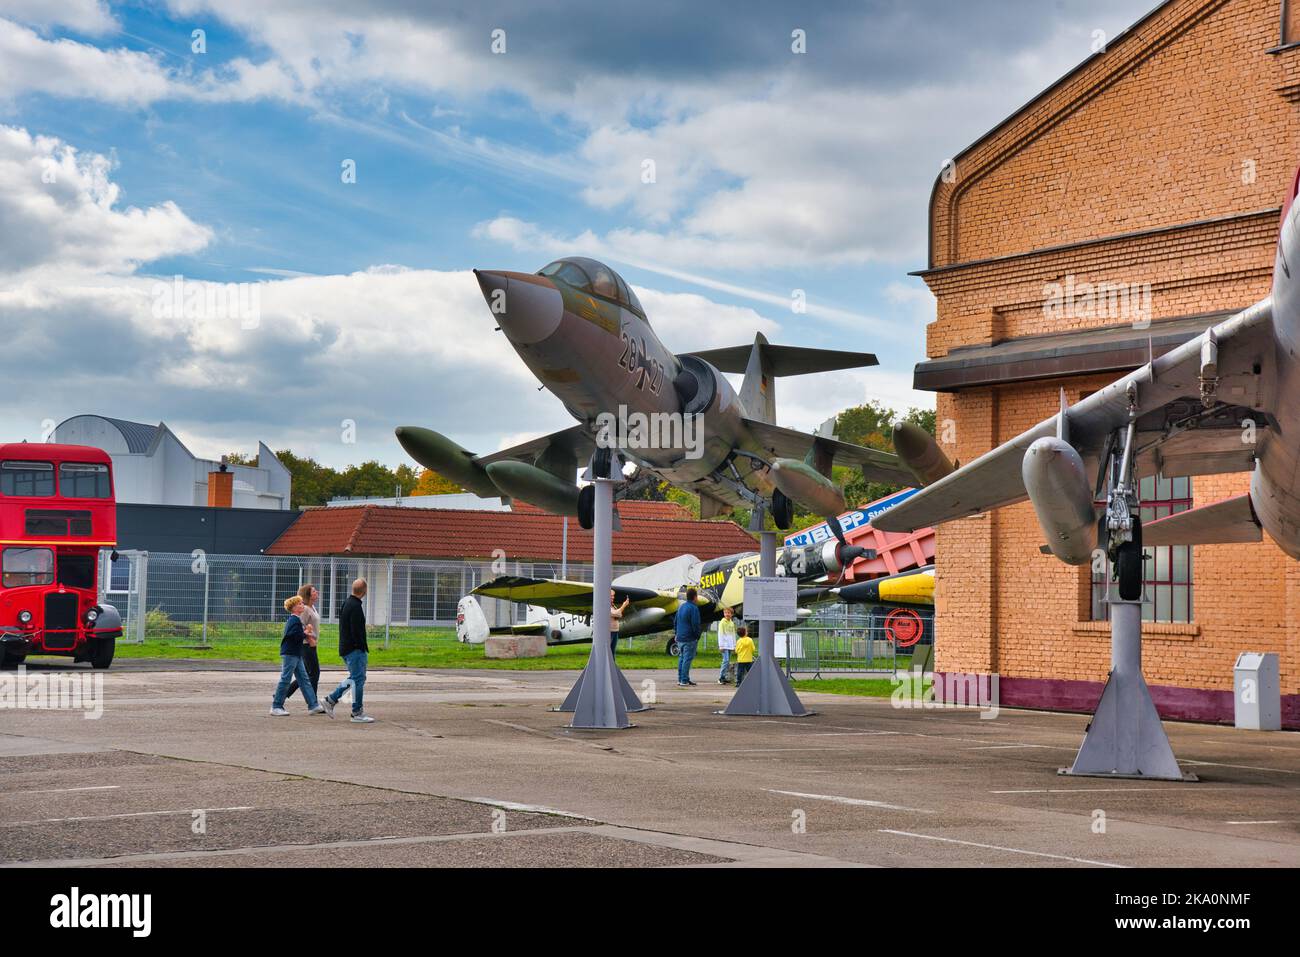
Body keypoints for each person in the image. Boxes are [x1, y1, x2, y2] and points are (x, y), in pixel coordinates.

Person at [321, 579, 374, 723]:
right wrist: (361, 647)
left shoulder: (346, 603)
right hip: (354, 650)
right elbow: (356, 631)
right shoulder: (356, 606)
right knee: (358, 679)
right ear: (364, 591)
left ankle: (331, 700)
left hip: (346, 648)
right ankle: (356, 712)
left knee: (356, 678)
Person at [270, 595, 330, 718]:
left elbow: (295, 635)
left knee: (304, 679)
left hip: (296, 653)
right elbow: (292, 635)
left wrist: (304, 633)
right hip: (290, 653)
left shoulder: (296, 620)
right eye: (300, 604)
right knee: (286, 679)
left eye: (302, 603)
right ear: (294, 608)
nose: (303, 605)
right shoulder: (294, 620)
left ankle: (313, 705)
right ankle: (276, 706)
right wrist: (305, 633)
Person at [284, 584, 320, 706]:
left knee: (307, 674)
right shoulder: (305, 610)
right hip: (306, 645)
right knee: (313, 673)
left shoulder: (312, 607)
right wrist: (310, 638)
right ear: (308, 595)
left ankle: (283, 693)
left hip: (311, 644)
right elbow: (301, 625)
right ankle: (313, 702)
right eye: (314, 591)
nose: (316, 592)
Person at [674, 587, 702, 688]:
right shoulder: (694, 608)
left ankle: (680, 679)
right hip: (689, 638)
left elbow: (675, 621)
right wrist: (697, 635)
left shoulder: (681, 607)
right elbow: (695, 624)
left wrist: (676, 633)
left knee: (681, 658)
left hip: (680, 637)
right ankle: (684, 680)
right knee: (687, 659)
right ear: (695, 597)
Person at [716, 606, 737, 685]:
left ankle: (724, 677)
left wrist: (734, 645)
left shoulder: (731, 623)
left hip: (730, 645)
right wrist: (721, 646)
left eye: (729, 613)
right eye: (725, 613)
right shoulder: (722, 622)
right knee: (726, 661)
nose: (727, 614)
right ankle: (721, 678)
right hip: (724, 645)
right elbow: (720, 634)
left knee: (727, 662)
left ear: (732, 614)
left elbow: (733, 635)